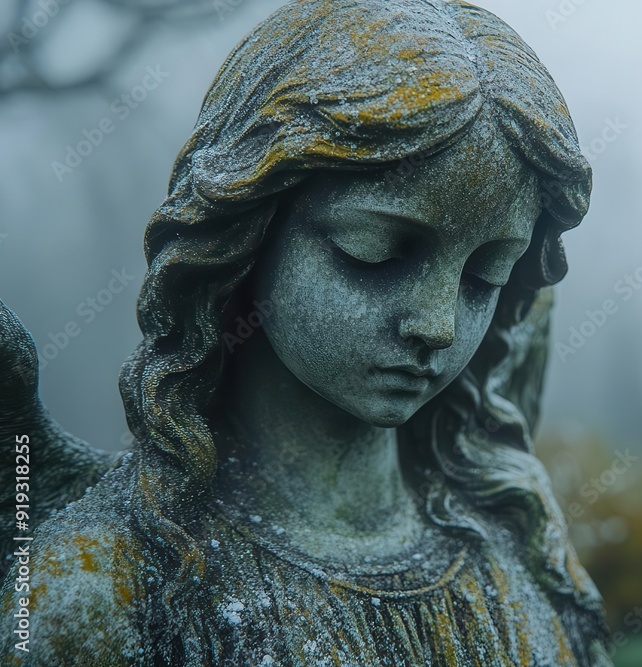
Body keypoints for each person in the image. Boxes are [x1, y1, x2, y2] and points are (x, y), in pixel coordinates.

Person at [0, 1, 611, 664]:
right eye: (374, 251)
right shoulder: (105, 589)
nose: (436, 325)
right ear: (246, 232)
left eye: (485, 276)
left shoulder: (520, 545)